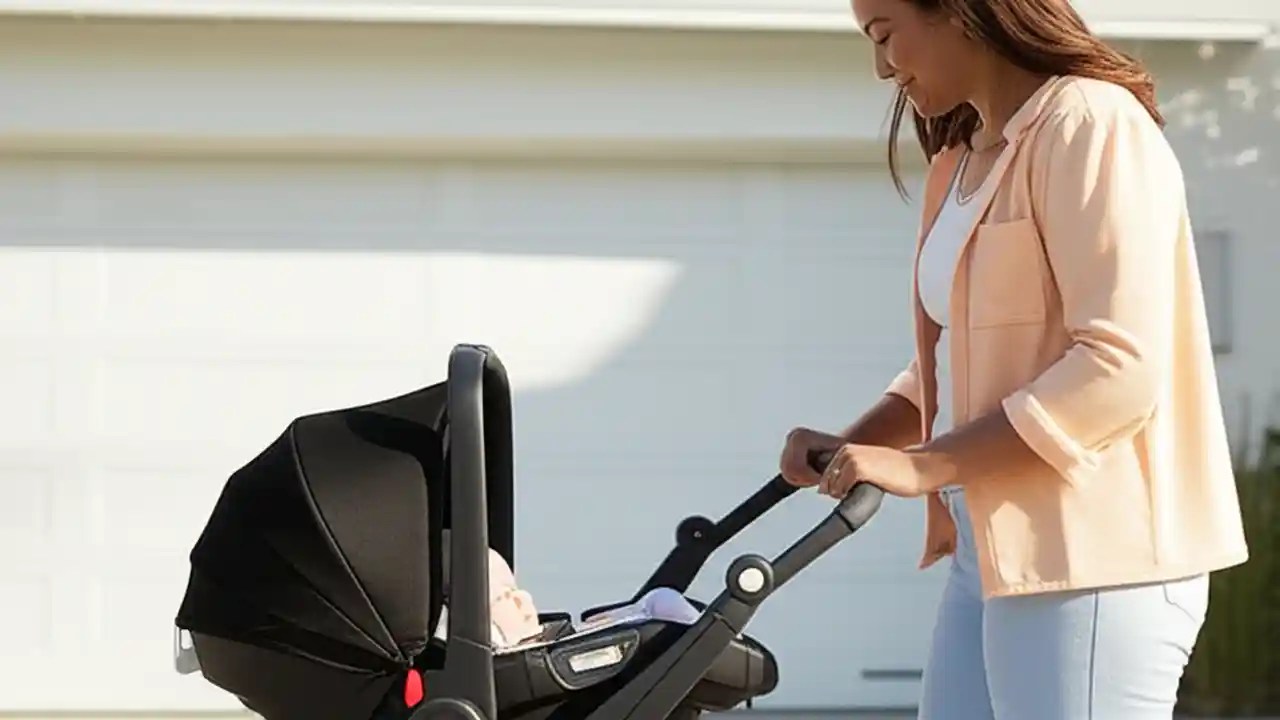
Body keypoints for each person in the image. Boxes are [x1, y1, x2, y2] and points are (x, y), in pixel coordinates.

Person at [777, 1, 1250, 718]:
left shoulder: (1089, 123)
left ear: (959, 12)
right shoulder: (961, 164)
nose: (881, 68)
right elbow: (963, 357)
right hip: (992, 551)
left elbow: (1119, 368)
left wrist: (923, 466)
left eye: (884, 35)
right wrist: (858, 443)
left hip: (1096, 557)